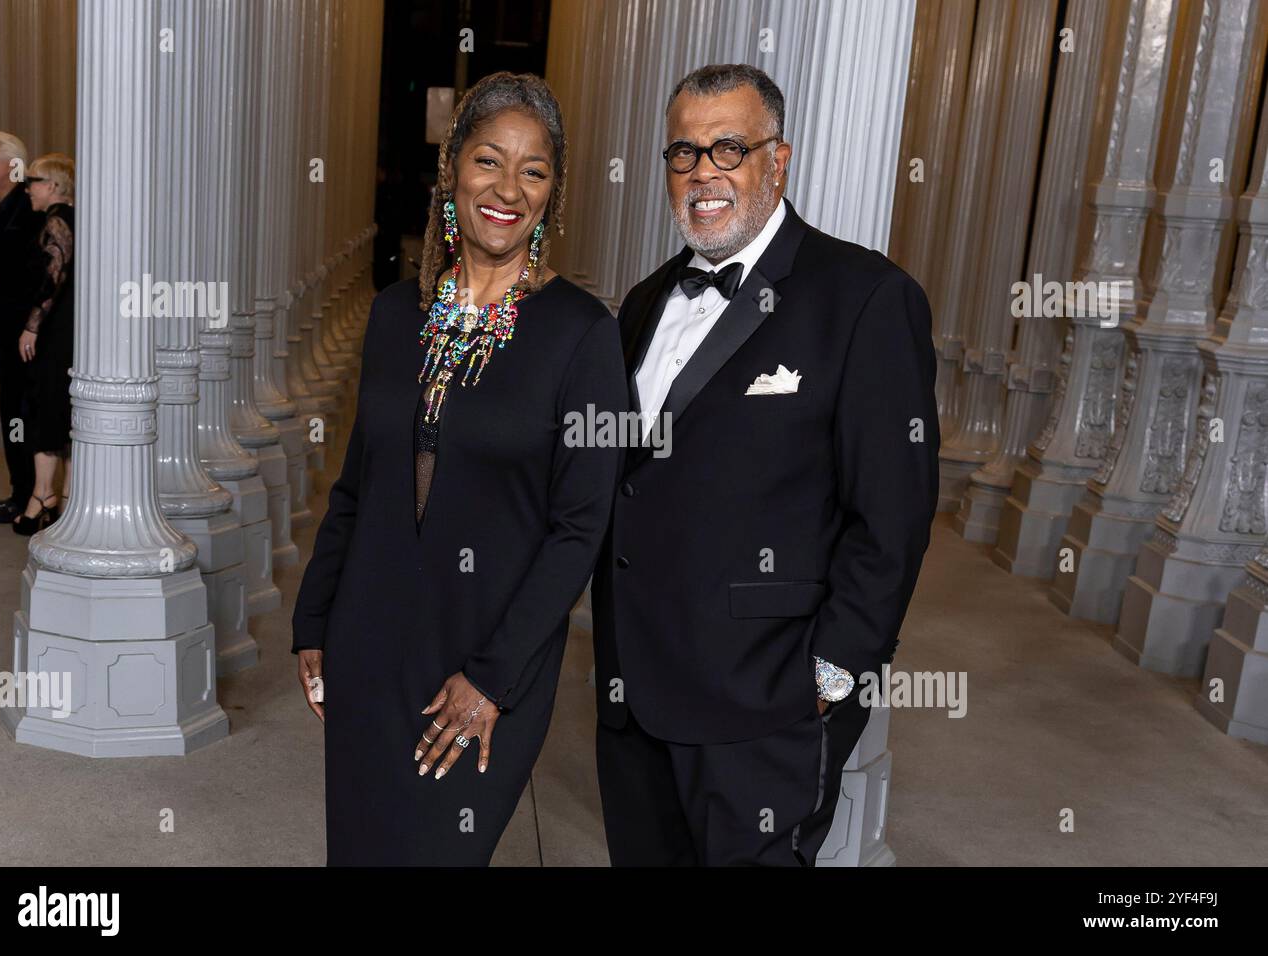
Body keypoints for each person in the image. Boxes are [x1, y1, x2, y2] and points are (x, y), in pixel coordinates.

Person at [591, 64, 940, 866]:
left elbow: (893, 514)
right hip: (634, 697)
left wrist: (833, 675)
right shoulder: (646, 301)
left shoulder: (864, 298)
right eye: (683, 152)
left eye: (728, 148)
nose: (702, 173)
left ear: (777, 161)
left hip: (767, 704)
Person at [291, 71, 626, 865]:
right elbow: (356, 484)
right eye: (488, 160)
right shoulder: (393, 315)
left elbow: (580, 528)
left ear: (554, 192)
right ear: (452, 172)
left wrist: (492, 678)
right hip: (369, 641)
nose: (508, 187)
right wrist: (315, 620)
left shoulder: (582, 336)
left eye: (534, 170)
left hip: (483, 662)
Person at [0, 131, 44, 524]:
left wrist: (31, 323)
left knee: (22, 409)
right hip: (0, 324)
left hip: (25, 330)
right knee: (10, 408)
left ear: (13, 165)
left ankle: (33, 494)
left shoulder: (30, 207)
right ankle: (19, 489)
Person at [11, 153, 75, 536]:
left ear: (52, 186)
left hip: (55, 330)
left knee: (44, 406)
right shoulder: (76, 218)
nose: (27, 187)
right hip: (67, 327)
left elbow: (55, 275)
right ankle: (58, 500)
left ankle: (43, 498)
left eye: (33, 180)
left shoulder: (56, 220)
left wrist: (32, 325)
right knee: (58, 409)